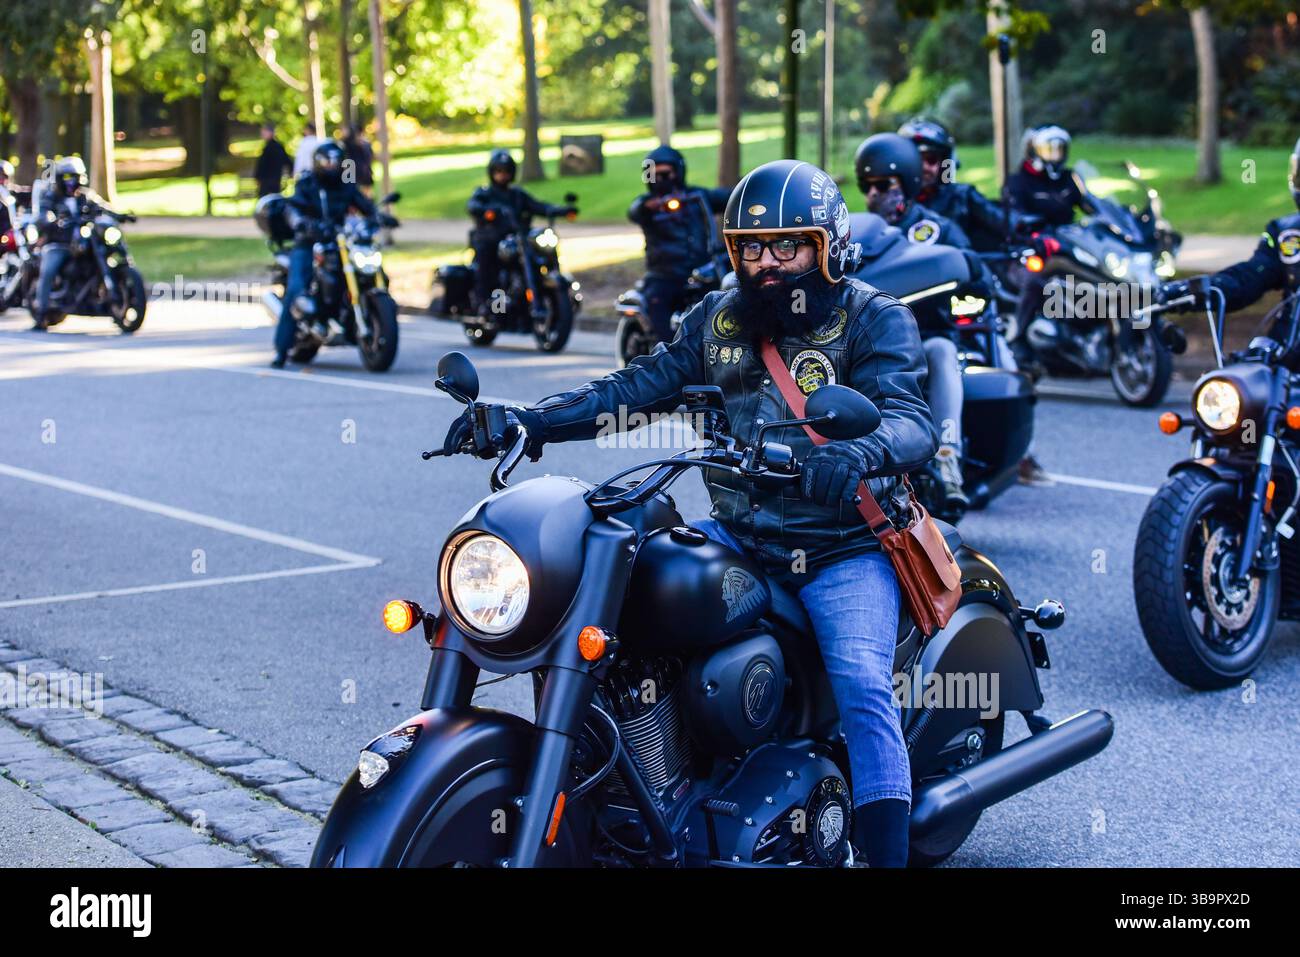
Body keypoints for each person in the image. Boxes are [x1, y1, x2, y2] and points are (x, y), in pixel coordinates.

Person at [444, 159, 937, 867]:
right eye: (752, 248)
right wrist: (533, 421)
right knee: (627, 606)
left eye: (787, 246)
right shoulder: (719, 316)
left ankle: (885, 856)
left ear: (826, 247)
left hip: (841, 545)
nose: (767, 263)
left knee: (863, 684)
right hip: (740, 535)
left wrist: (861, 454)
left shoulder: (871, 317)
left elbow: (912, 420)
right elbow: (639, 385)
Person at [856, 132, 983, 510]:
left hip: (924, 338)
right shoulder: (853, 233)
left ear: (908, 183)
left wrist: (967, 275)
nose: (875, 194)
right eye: (868, 186)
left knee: (943, 351)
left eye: (884, 185)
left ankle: (947, 458)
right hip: (865, 342)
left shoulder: (935, 228)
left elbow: (975, 272)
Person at [1161, 135, 1300, 352]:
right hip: (1287, 362)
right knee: (1231, 381)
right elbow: (1247, 280)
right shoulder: (1286, 233)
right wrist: (1181, 291)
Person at [271, 140, 375, 367]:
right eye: (326, 161)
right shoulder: (307, 184)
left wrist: (377, 216)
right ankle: (281, 350)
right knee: (296, 290)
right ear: (317, 162)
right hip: (309, 242)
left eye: (335, 161)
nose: (331, 165)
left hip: (339, 242)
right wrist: (301, 223)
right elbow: (293, 207)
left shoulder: (345, 184)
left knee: (369, 268)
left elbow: (363, 204)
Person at [627, 145, 729, 344]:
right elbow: (635, 210)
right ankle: (666, 354)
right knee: (657, 304)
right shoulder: (648, 204)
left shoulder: (697, 196)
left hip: (702, 271)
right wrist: (651, 206)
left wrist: (748, 188)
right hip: (665, 274)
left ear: (678, 171)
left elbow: (727, 197)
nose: (662, 179)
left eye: (666, 173)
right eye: (656, 175)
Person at [466, 149, 575, 322]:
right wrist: (487, 210)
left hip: (519, 240)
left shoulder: (517, 195)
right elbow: (473, 205)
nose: (502, 175)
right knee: (487, 264)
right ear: (492, 172)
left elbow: (539, 206)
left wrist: (561, 210)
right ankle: (485, 305)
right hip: (492, 240)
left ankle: (549, 296)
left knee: (540, 253)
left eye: (506, 171)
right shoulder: (484, 193)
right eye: (498, 171)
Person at [900, 117, 1023, 252]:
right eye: (916, 159)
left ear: (944, 164)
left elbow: (1004, 222)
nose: (924, 167)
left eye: (931, 159)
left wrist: (1032, 234)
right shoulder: (892, 202)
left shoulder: (962, 197)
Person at [30, 156, 110, 330]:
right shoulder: (51, 196)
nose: (72, 182)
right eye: (67, 178)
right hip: (59, 243)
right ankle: (41, 312)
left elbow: (103, 207)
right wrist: (52, 221)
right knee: (49, 270)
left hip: (82, 242)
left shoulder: (85, 196)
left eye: (75, 177)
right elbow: (42, 216)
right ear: (59, 179)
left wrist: (120, 215)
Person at [253, 123, 293, 197]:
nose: (262, 134)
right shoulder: (273, 146)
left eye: (264, 132)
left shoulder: (273, 147)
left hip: (269, 180)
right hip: (273, 180)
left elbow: (262, 164)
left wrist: (258, 177)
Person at [341, 124, 374, 195]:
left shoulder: (351, 143)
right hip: (359, 171)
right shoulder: (364, 143)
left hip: (359, 172)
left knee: (364, 194)